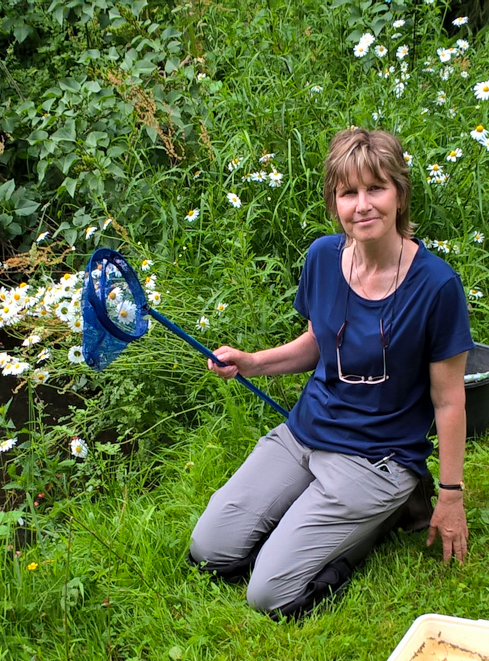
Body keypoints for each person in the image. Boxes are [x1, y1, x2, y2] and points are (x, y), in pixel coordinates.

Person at [188, 127, 473, 620]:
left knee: (269, 595)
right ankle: (317, 525)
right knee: (210, 552)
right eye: (348, 193)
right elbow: (321, 342)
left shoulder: (438, 286)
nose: (363, 205)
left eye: (376, 188)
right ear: (334, 202)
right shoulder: (322, 257)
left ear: (400, 196)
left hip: (376, 458)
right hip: (306, 433)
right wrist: (253, 362)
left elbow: (449, 401)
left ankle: (379, 521)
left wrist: (451, 496)